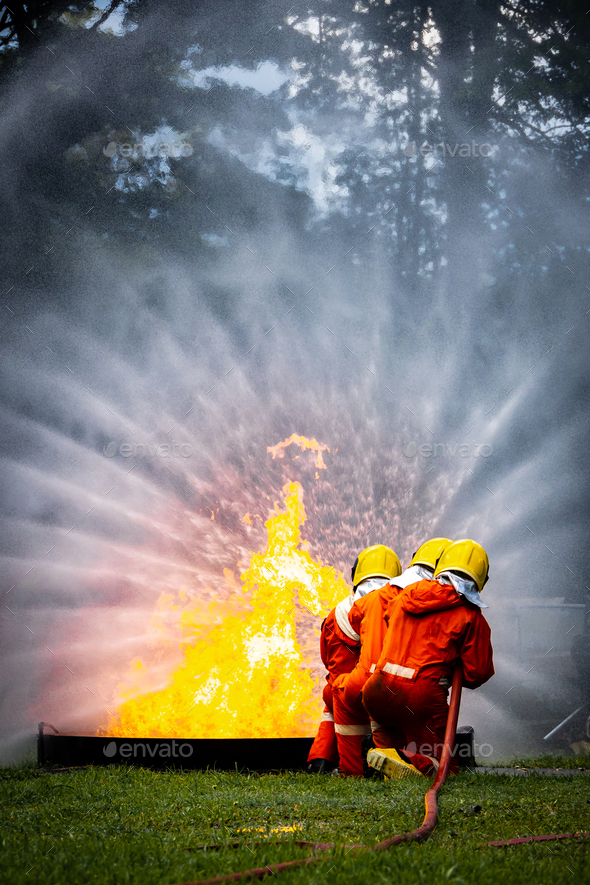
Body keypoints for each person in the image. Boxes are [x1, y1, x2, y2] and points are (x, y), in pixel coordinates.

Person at [363, 539, 494, 779]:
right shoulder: (470, 615)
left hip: (376, 689)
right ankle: (406, 758)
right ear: (481, 579)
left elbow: (387, 617)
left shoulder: (406, 594)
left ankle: (386, 755)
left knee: (387, 765)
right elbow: (477, 673)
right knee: (445, 769)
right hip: (419, 698)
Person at [331, 538, 452, 777]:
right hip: (415, 686)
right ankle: (420, 764)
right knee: (438, 755)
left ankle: (362, 767)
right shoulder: (437, 600)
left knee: (337, 697)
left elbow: (338, 650)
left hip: (376, 684)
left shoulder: (377, 598)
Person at [306, 544, 401, 773]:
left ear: (356, 576)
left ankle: (322, 760)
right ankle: (393, 763)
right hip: (385, 692)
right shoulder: (399, 607)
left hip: (344, 697)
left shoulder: (334, 616)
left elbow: (327, 660)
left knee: (332, 694)